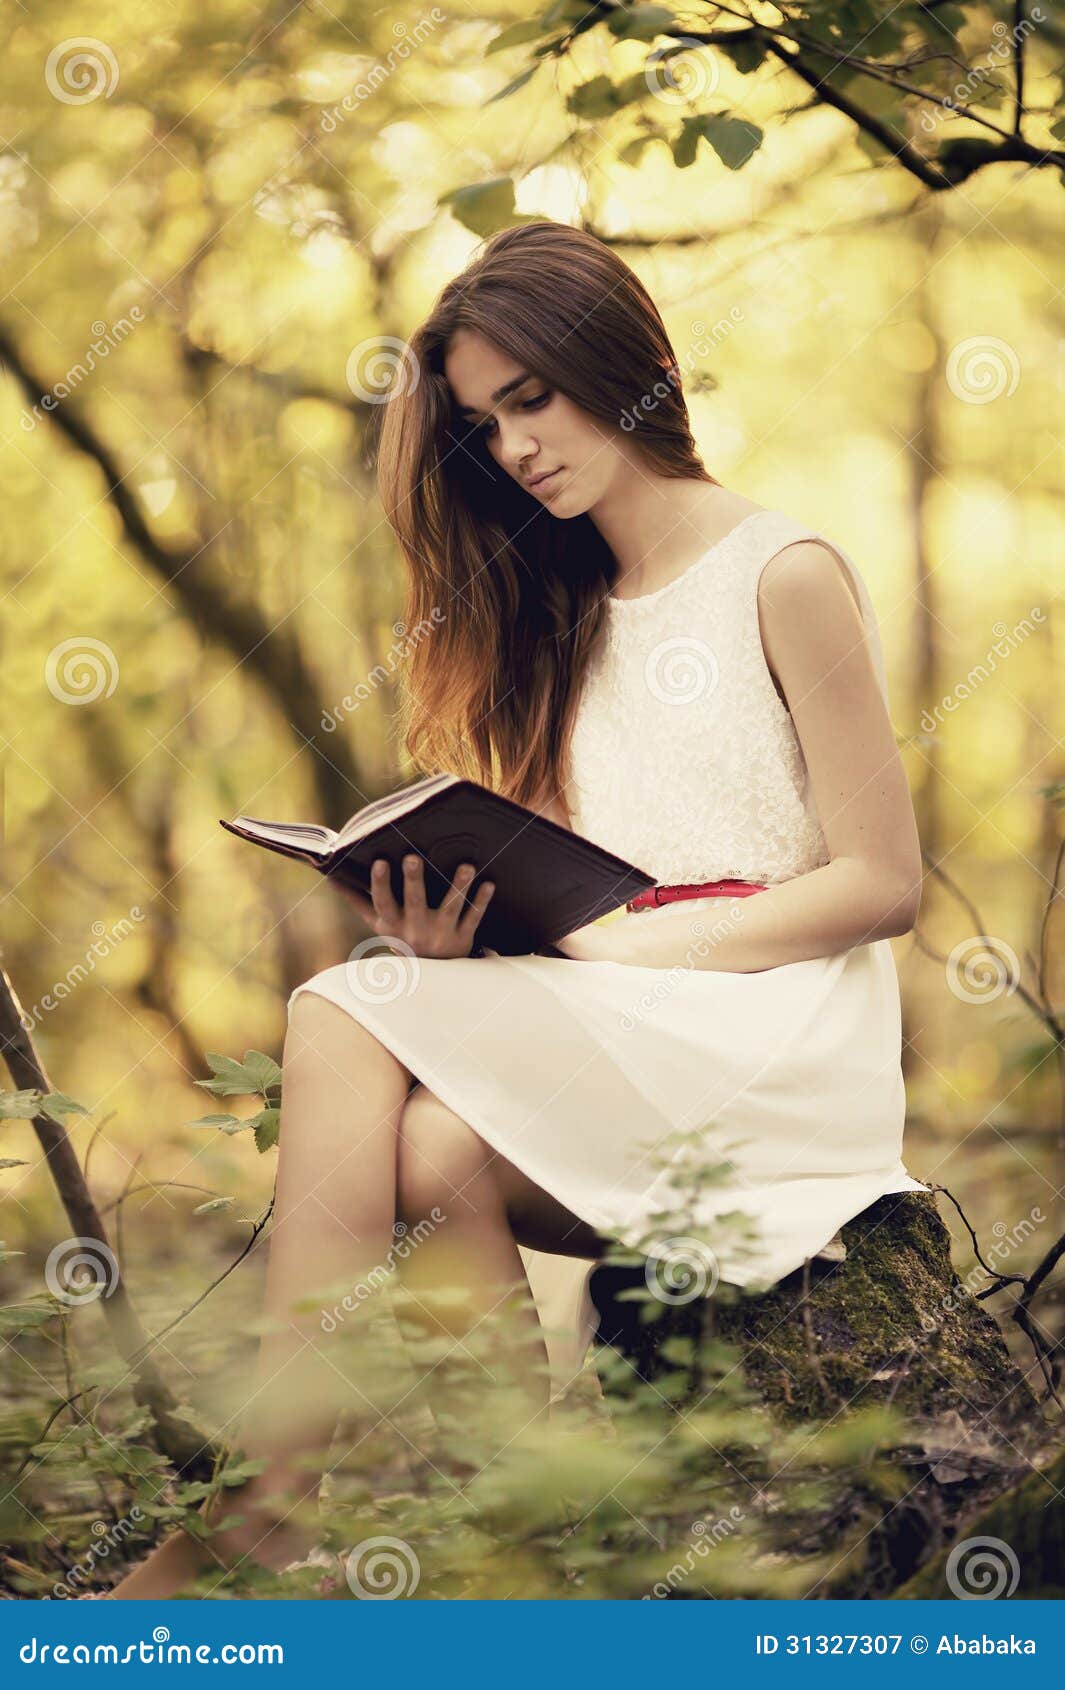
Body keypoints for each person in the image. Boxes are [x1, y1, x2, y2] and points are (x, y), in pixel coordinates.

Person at [107, 220, 924, 1599]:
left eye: (530, 398)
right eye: (485, 427)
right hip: (642, 1026)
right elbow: (596, 897)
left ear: (623, 362)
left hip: (781, 1043)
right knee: (432, 1151)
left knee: (336, 1002)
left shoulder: (782, 572)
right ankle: (532, 1516)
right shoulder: (568, 617)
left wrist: (613, 945)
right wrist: (474, 953)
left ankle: (265, 1492)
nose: (515, 446)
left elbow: (881, 882)